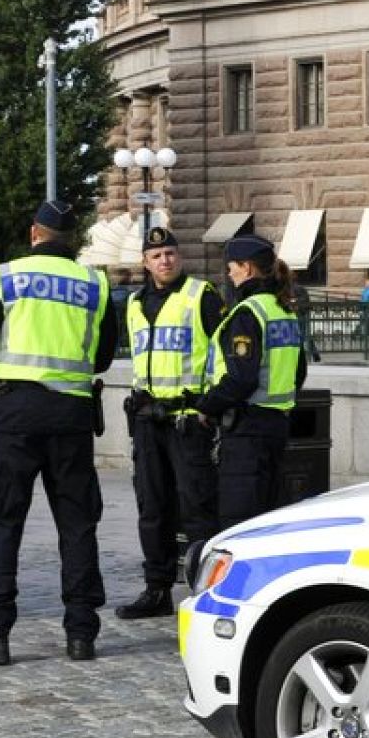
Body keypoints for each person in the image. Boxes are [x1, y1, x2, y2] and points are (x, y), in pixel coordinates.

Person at [0, 200, 117, 666]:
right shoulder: (96, 283)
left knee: (1, 521)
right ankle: (81, 634)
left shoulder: (7, 277)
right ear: (73, 239)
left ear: (34, 233)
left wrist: (0, 389)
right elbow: (102, 357)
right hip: (72, 415)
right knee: (78, 522)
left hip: (15, 415)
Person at [115, 225, 223, 620]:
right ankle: (156, 589)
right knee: (152, 508)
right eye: (157, 256)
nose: (165, 260)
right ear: (145, 262)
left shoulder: (201, 297)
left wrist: (208, 407)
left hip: (186, 420)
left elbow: (221, 354)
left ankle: (206, 589)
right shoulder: (134, 302)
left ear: (180, 257)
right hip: (146, 421)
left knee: (197, 507)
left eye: (171, 253)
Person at [198, 233, 307, 532]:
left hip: (248, 431)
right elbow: (299, 372)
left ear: (246, 268)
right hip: (277, 427)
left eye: (231, 266)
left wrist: (207, 406)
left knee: (239, 523)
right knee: (268, 521)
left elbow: (241, 378)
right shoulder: (282, 309)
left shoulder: (248, 313)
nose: (229, 273)